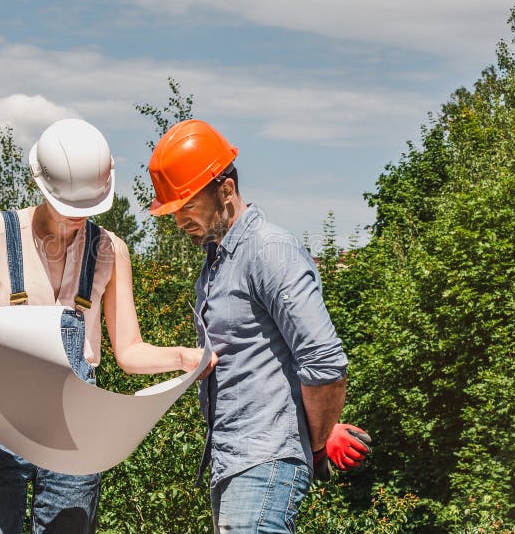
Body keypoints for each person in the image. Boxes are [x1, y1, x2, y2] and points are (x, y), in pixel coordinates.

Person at [0, 118, 215, 534]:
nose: (79, 218)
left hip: (74, 425)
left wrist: (182, 357)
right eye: (69, 207)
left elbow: (129, 351)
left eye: (89, 209)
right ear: (41, 186)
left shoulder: (111, 251)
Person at [147, 119, 371, 533]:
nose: (180, 222)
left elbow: (324, 362)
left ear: (226, 189)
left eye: (187, 207)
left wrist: (317, 443)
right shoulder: (218, 261)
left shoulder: (269, 250)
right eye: (174, 212)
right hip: (234, 461)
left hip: (262, 461)